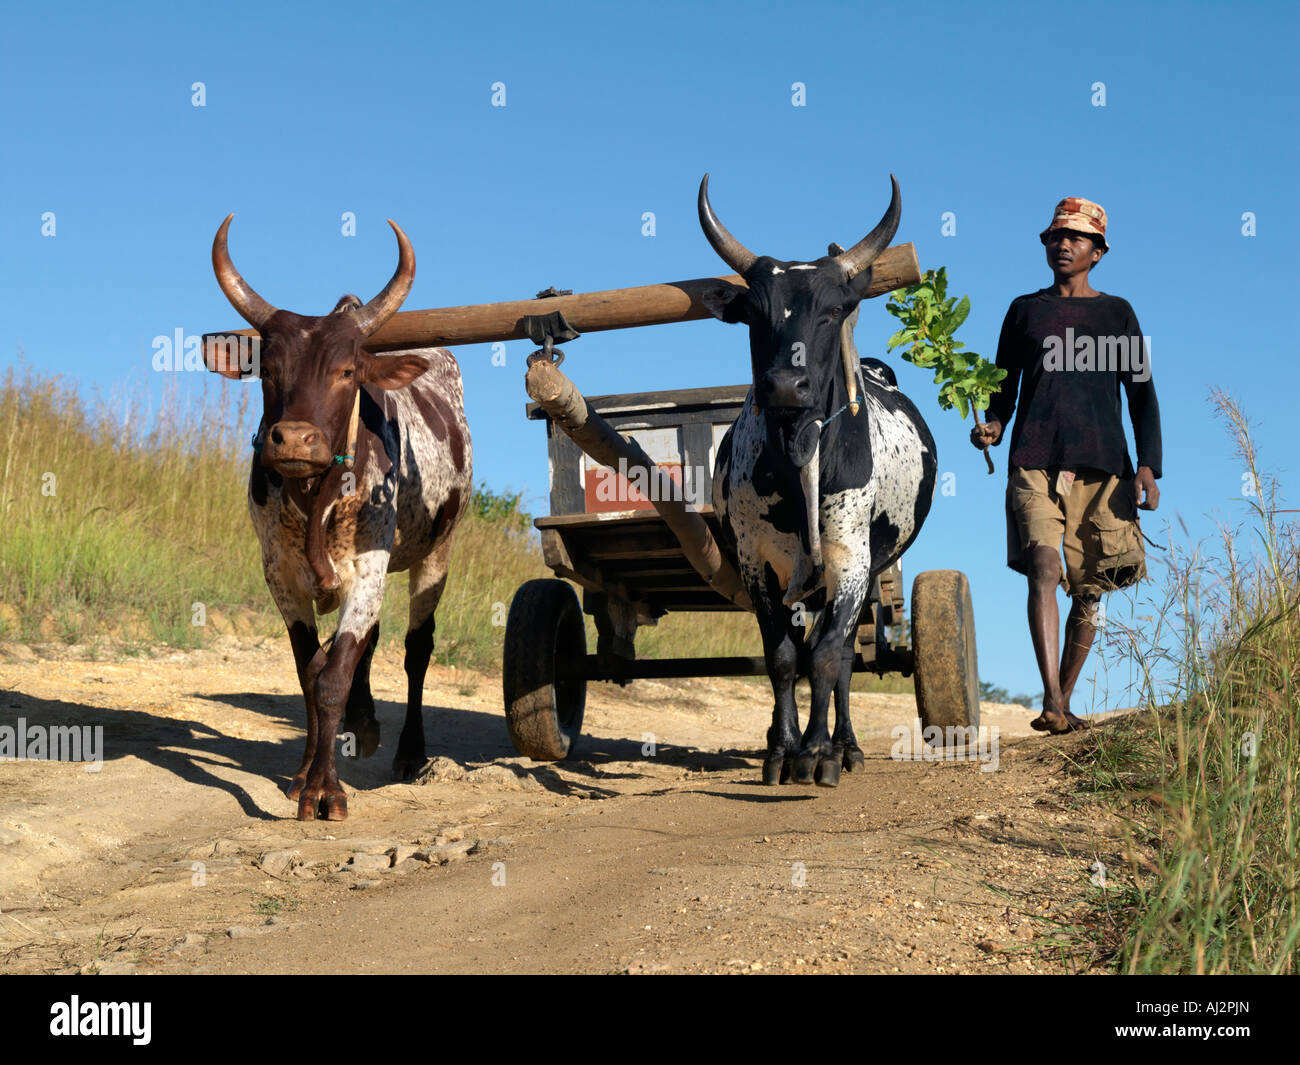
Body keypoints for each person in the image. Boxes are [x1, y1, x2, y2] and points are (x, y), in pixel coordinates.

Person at [971, 197, 1161, 733]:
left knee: (1091, 587)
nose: (1063, 245)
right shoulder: (1023, 310)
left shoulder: (1117, 312)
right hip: (1034, 458)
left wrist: (1149, 466)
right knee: (1045, 569)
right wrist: (994, 423)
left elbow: (1142, 394)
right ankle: (1051, 699)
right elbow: (1002, 384)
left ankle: (1066, 696)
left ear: (1097, 252)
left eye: (1076, 238)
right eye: (1056, 236)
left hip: (1105, 468)